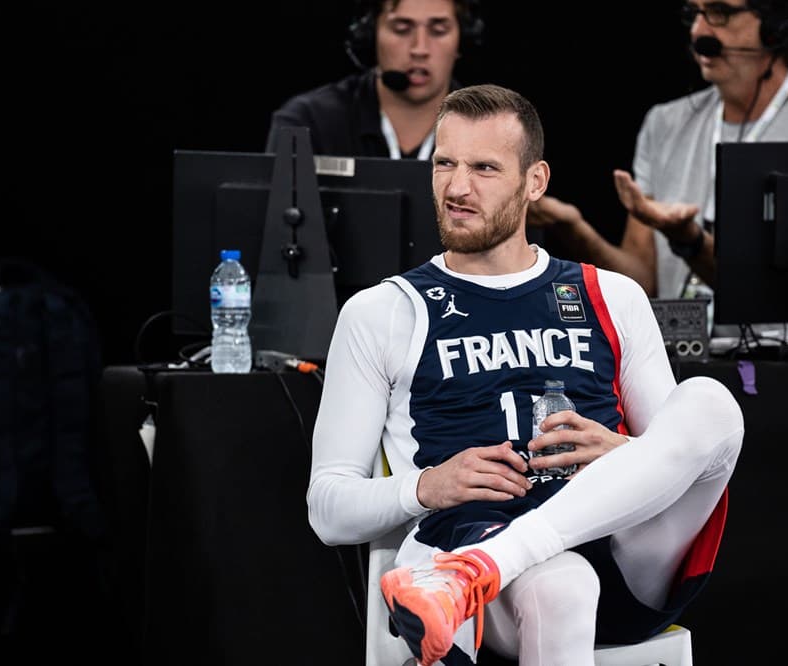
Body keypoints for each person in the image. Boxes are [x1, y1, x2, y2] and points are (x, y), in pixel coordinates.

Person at [308, 84, 745, 666]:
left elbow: (682, 452)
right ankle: (485, 565)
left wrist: (622, 451)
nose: (457, 188)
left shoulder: (610, 294)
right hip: (498, 565)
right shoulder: (383, 311)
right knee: (562, 583)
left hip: (625, 555)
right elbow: (327, 507)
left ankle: (477, 572)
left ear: (534, 182)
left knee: (711, 402)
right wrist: (424, 487)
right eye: (445, 164)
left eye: (484, 168)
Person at [529, 0, 788, 303]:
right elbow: (642, 283)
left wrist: (690, 240)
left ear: (778, 26)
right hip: (686, 361)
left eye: (720, 13)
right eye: (694, 14)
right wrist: (572, 227)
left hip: (783, 366)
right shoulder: (665, 123)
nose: (698, 31)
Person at [265, 0, 483, 159]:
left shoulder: (488, 129)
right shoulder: (309, 122)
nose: (420, 48)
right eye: (401, 29)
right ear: (371, 35)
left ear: (462, 40)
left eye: (438, 30)